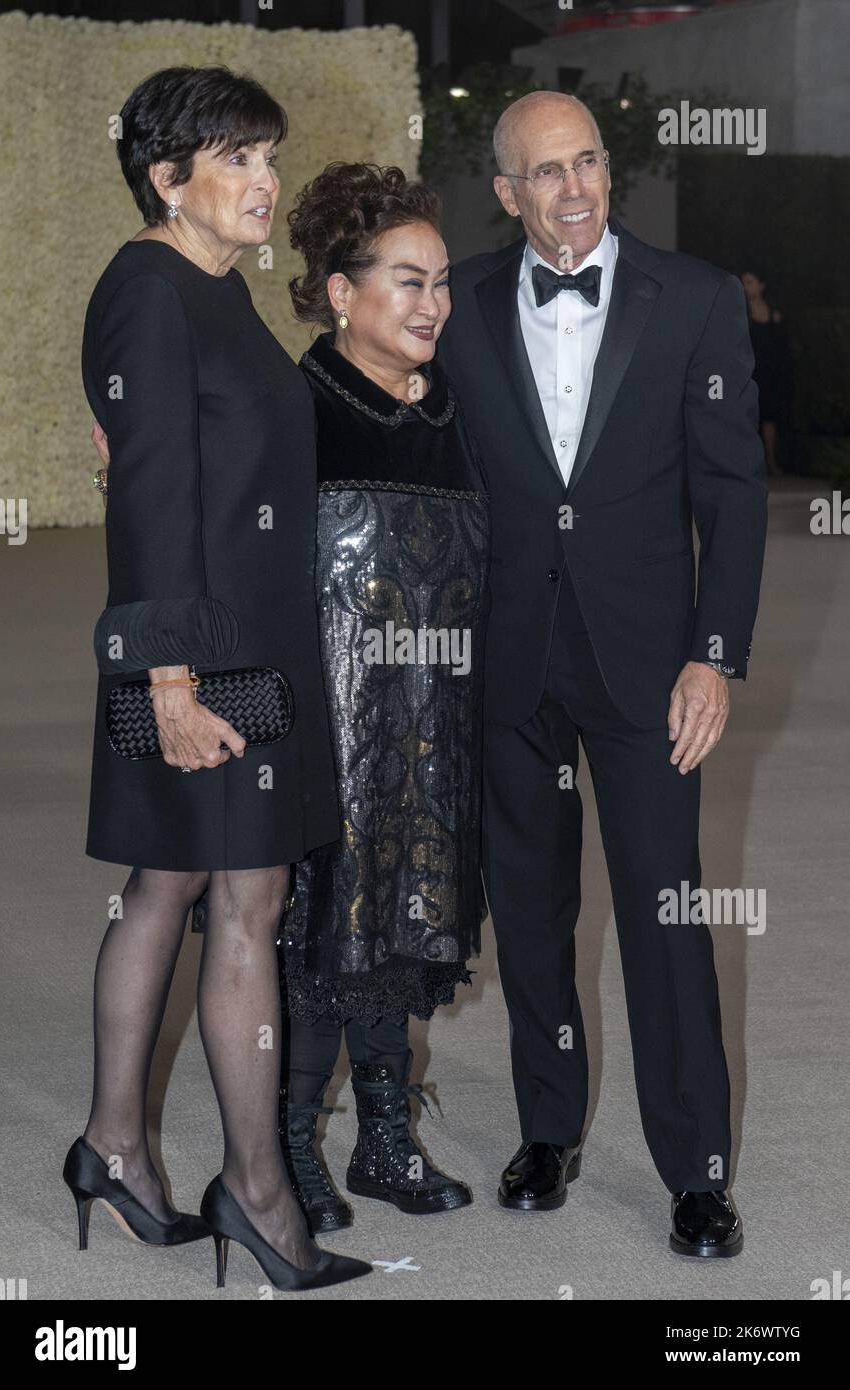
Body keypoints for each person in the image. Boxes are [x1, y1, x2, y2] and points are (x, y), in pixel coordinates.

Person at [435, 91, 768, 1257]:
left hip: (648, 666)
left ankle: (696, 1169)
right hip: (508, 660)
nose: (573, 189)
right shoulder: (463, 305)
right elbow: (389, 422)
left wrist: (712, 655)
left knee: (665, 916)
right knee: (532, 912)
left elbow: (731, 498)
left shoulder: (694, 299)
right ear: (506, 191)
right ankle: (546, 1128)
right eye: (546, 172)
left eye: (586, 164)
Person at [68, 64, 370, 1293]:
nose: (265, 182)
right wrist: (169, 681)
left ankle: (113, 1146)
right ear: (167, 177)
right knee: (235, 907)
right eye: (237, 159)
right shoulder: (151, 289)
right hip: (202, 655)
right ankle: (254, 1192)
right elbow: (148, 491)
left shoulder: (211, 286)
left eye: (268, 156)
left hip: (236, 640)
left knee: (167, 887)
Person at [186, 165, 489, 1232]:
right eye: (407, 282)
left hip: (434, 730)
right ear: (339, 291)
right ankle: (294, 1153)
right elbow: (221, 539)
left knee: (405, 938)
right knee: (318, 941)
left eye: (442, 282)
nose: (433, 304)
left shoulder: (458, 407)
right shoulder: (296, 402)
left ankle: (387, 1140)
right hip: (327, 726)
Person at [740, 270, 793, 477]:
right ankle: (750, 463)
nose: (746, 286)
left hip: (769, 374)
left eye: (750, 282)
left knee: (770, 418)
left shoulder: (773, 314)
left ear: (761, 285)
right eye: (743, 282)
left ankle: (770, 461)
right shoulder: (741, 312)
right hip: (748, 373)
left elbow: (780, 347)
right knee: (749, 418)